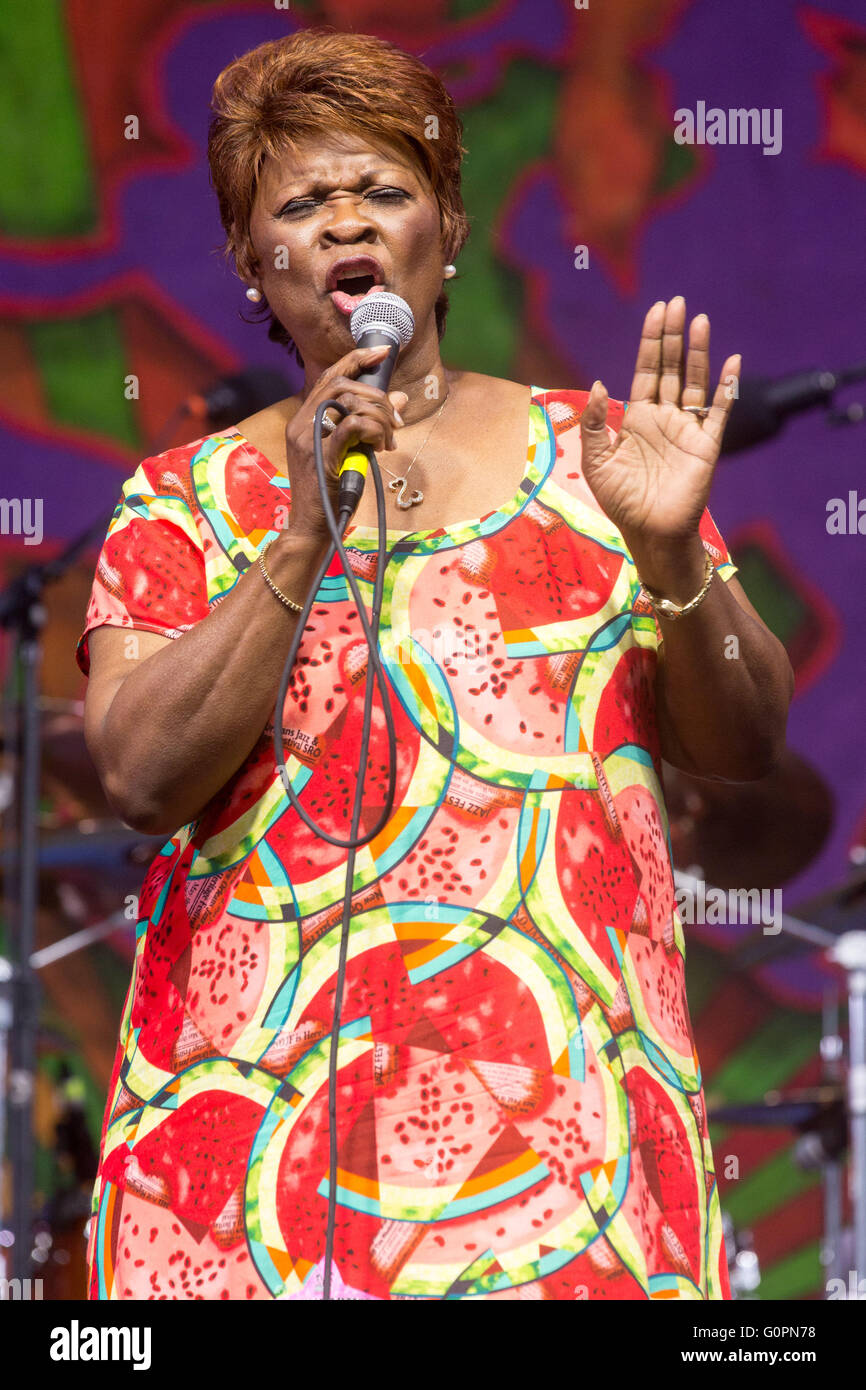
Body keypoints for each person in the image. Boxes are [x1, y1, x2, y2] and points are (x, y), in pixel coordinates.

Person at [76, 28, 793, 1301]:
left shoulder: (600, 461)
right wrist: (302, 532)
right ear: (255, 260)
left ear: (448, 226)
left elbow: (741, 742)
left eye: (384, 190)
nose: (345, 220)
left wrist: (673, 554)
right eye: (299, 203)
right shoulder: (185, 502)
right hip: (257, 1164)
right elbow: (138, 775)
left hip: (561, 1149)